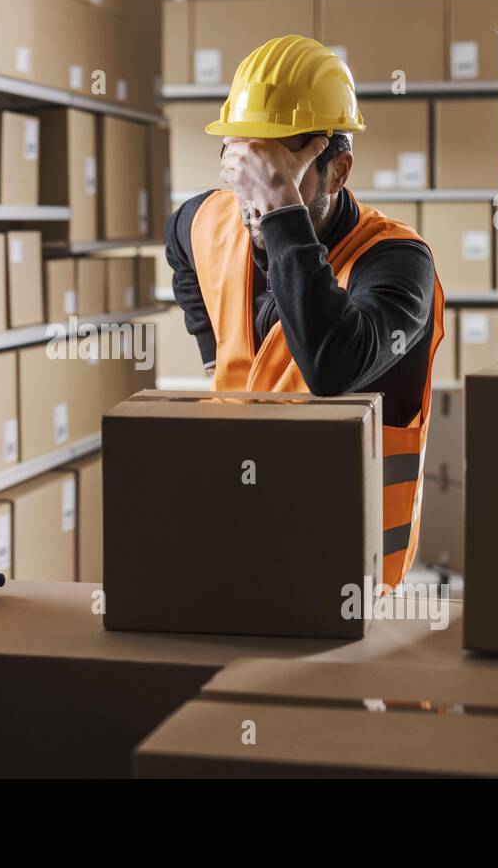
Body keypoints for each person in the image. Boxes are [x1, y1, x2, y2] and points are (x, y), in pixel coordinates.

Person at [165, 34, 446, 585]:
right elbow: (180, 249)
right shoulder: (208, 220)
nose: (251, 200)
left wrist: (282, 210)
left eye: (276, 174)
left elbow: (330, 368)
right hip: (235, 529)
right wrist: (210, 355)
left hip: (349, 562)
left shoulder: (397, 263)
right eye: (246, 168)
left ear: (337, 172)